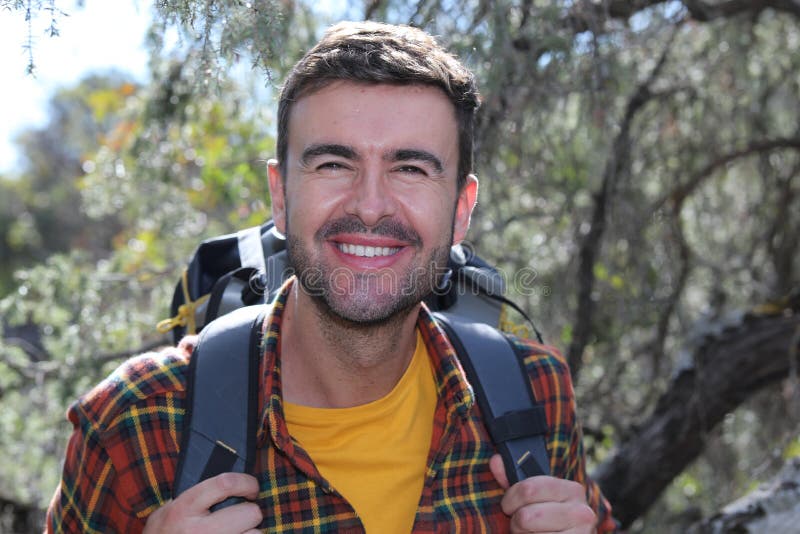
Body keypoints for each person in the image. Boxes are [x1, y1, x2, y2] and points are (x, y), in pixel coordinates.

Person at [46, 20, 617, 533]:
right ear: (281, 195)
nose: (370, 206)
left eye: (411, 168)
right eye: (334, 164)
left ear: (462, 210)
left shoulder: (533, 399)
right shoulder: (135, 423)